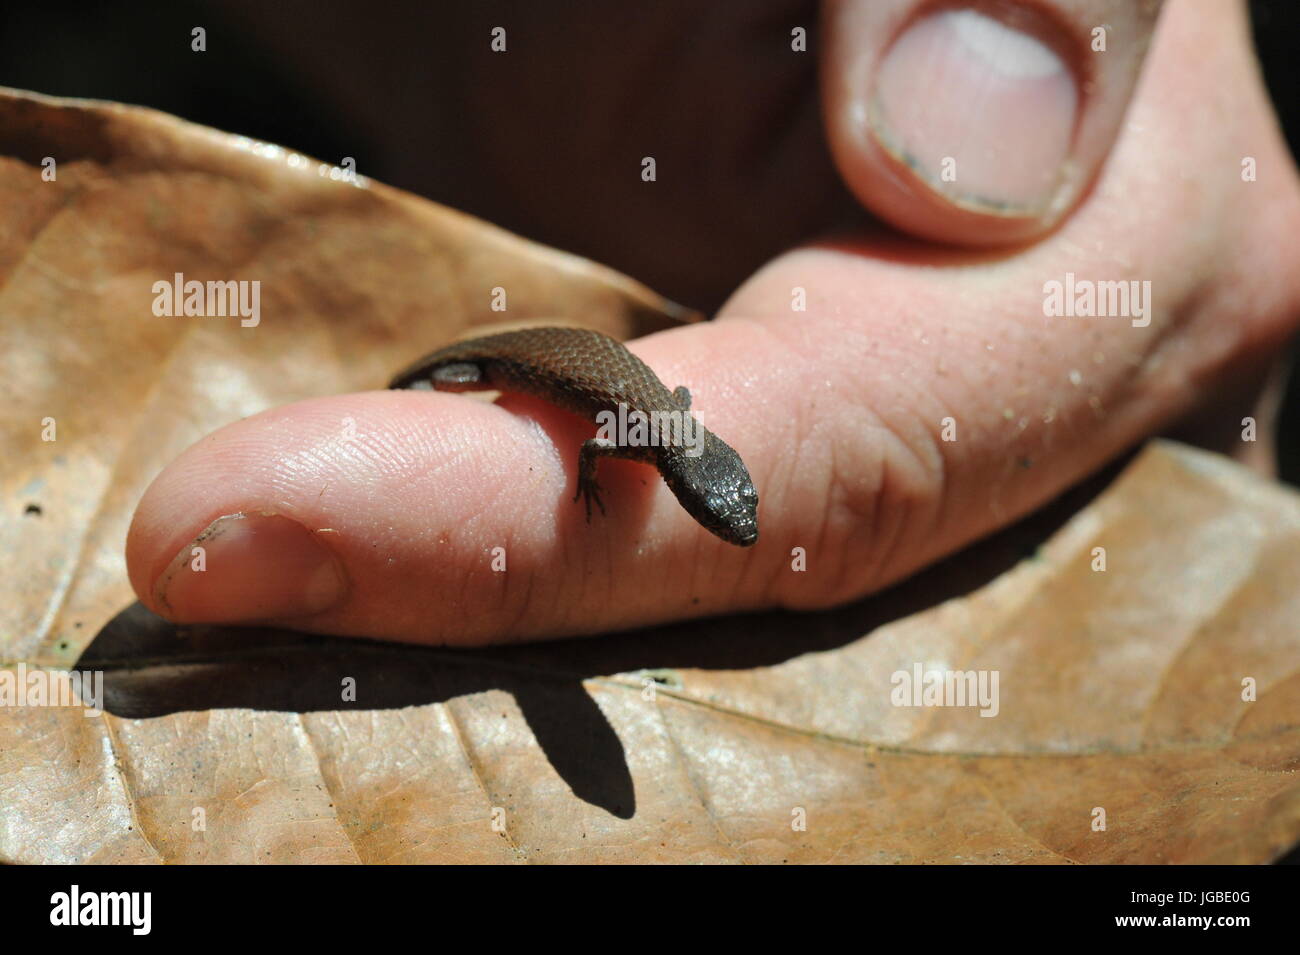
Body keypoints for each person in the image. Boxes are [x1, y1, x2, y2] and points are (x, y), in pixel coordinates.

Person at [127, 0, 1300, 644]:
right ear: (693, 472)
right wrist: (587, 482)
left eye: (719, 501)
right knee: (444, 386)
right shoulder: (645, 432)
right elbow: (602, 433)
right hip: (507, 355)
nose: (724, 514)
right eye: (715, 501)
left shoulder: (670, 429)